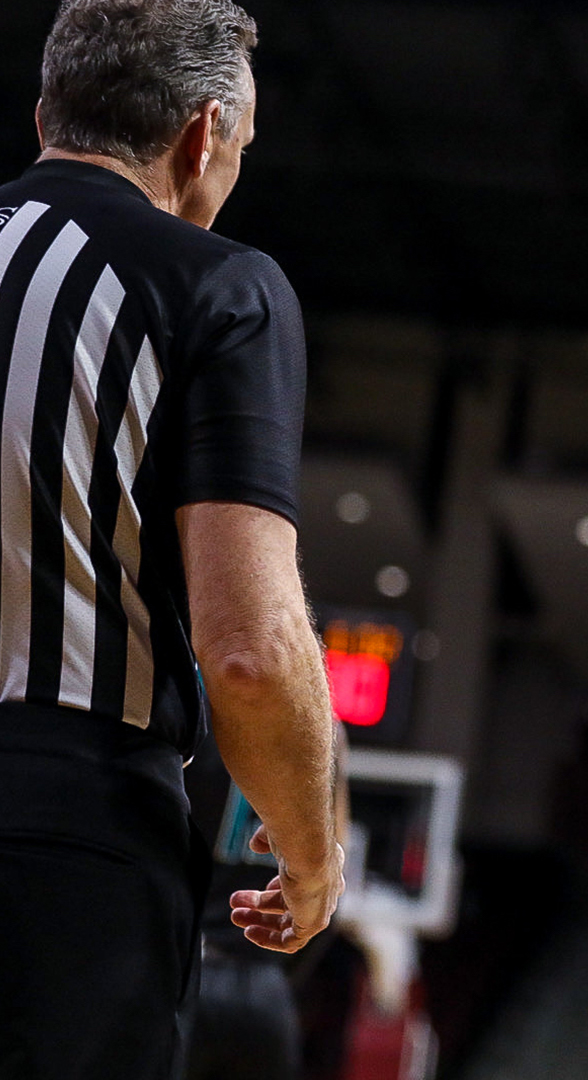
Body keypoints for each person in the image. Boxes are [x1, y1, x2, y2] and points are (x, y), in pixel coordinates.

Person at [0, 2, 344, 1077]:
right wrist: (311, 851)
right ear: (202, 138)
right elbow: (246, 647)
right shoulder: (213, 283)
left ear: (45, 113)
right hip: (61, 830)